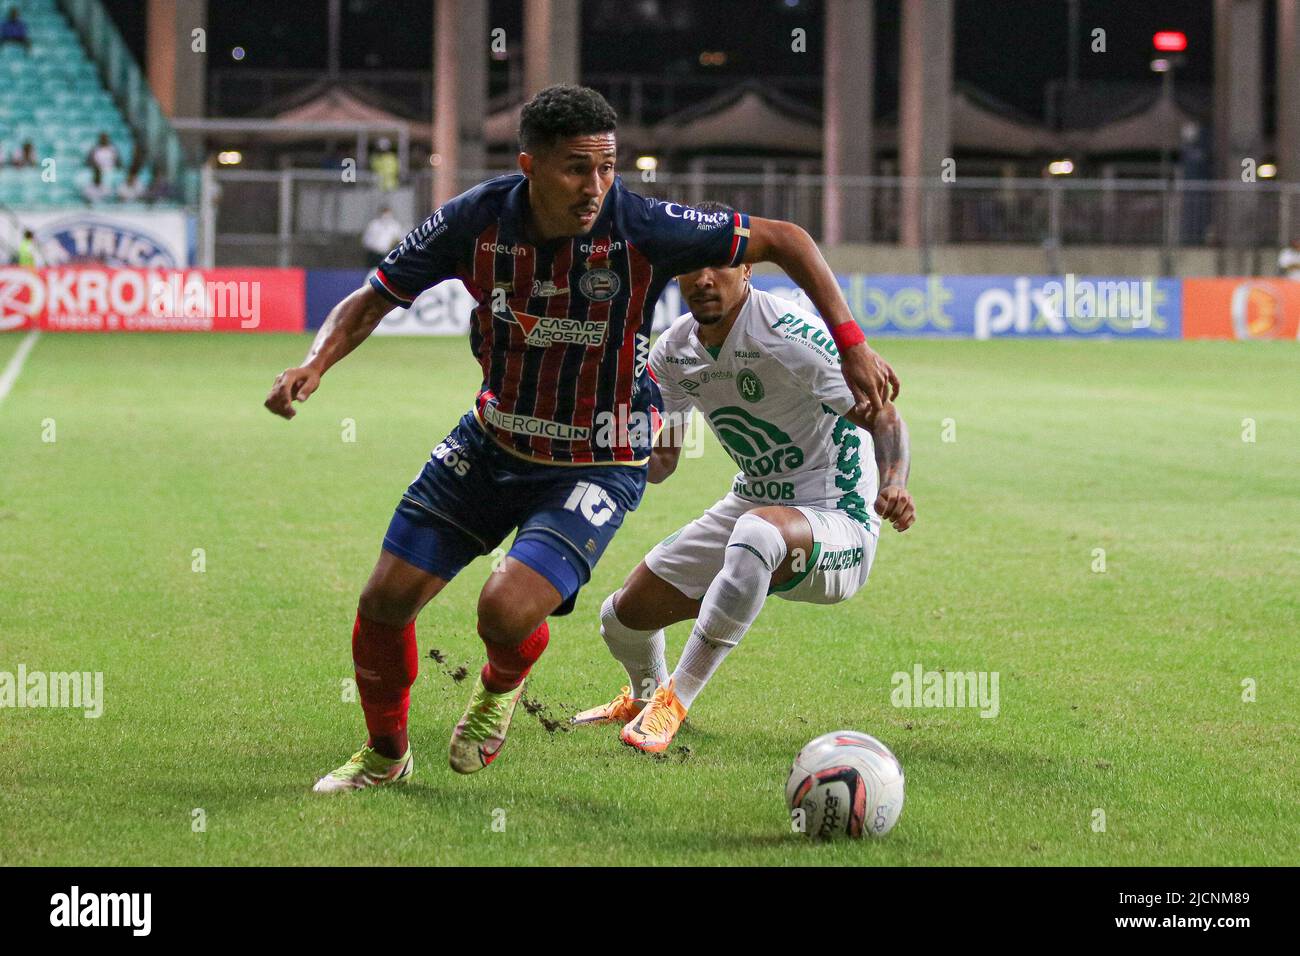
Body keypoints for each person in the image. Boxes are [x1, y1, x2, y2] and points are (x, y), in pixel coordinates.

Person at [262, 85, 898, 792]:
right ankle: (385, 756)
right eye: (575, 168)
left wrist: (850, 344)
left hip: (596, 456)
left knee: (503, 611)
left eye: (606, 166)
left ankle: (503, 687)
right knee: (384, 600)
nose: (595, 186)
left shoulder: (643, 223)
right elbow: (374, 296)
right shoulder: (473, 221)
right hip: (492, 438)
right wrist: (314, 364)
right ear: (529, 165)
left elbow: (787, 239)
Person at [571, 208, 914, 751]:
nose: (705, 279)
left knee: (756, 534)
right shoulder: (674, 352)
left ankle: (674, 701)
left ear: (748, 270)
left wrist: (893, 483)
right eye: (692, 268)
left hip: (837, 516)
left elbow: (885, 415)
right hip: (753, 501)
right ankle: (644, 695)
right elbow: (661, 465)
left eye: (722, 267)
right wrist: (608, 439)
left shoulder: (789, 335)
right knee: (621, 617)